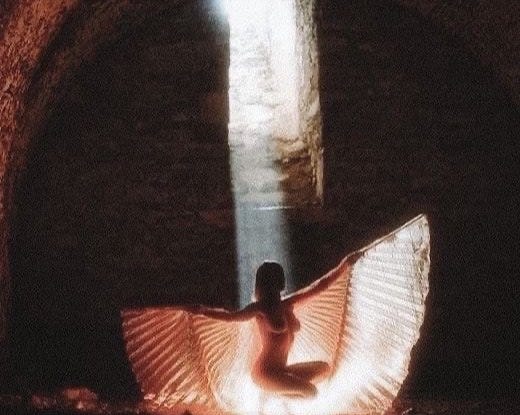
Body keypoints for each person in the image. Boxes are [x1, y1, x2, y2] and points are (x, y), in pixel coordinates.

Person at [190, 260, 349, 398]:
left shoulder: (287, 304)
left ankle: (280, 391)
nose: (274, 289)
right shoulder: (259, 308)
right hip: (264, 374)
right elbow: (230, 317)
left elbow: (319, 287)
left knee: (324, 369)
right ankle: (276, 394)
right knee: (311, 392)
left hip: (282, 371)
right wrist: (202, 310)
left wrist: (345, 265)